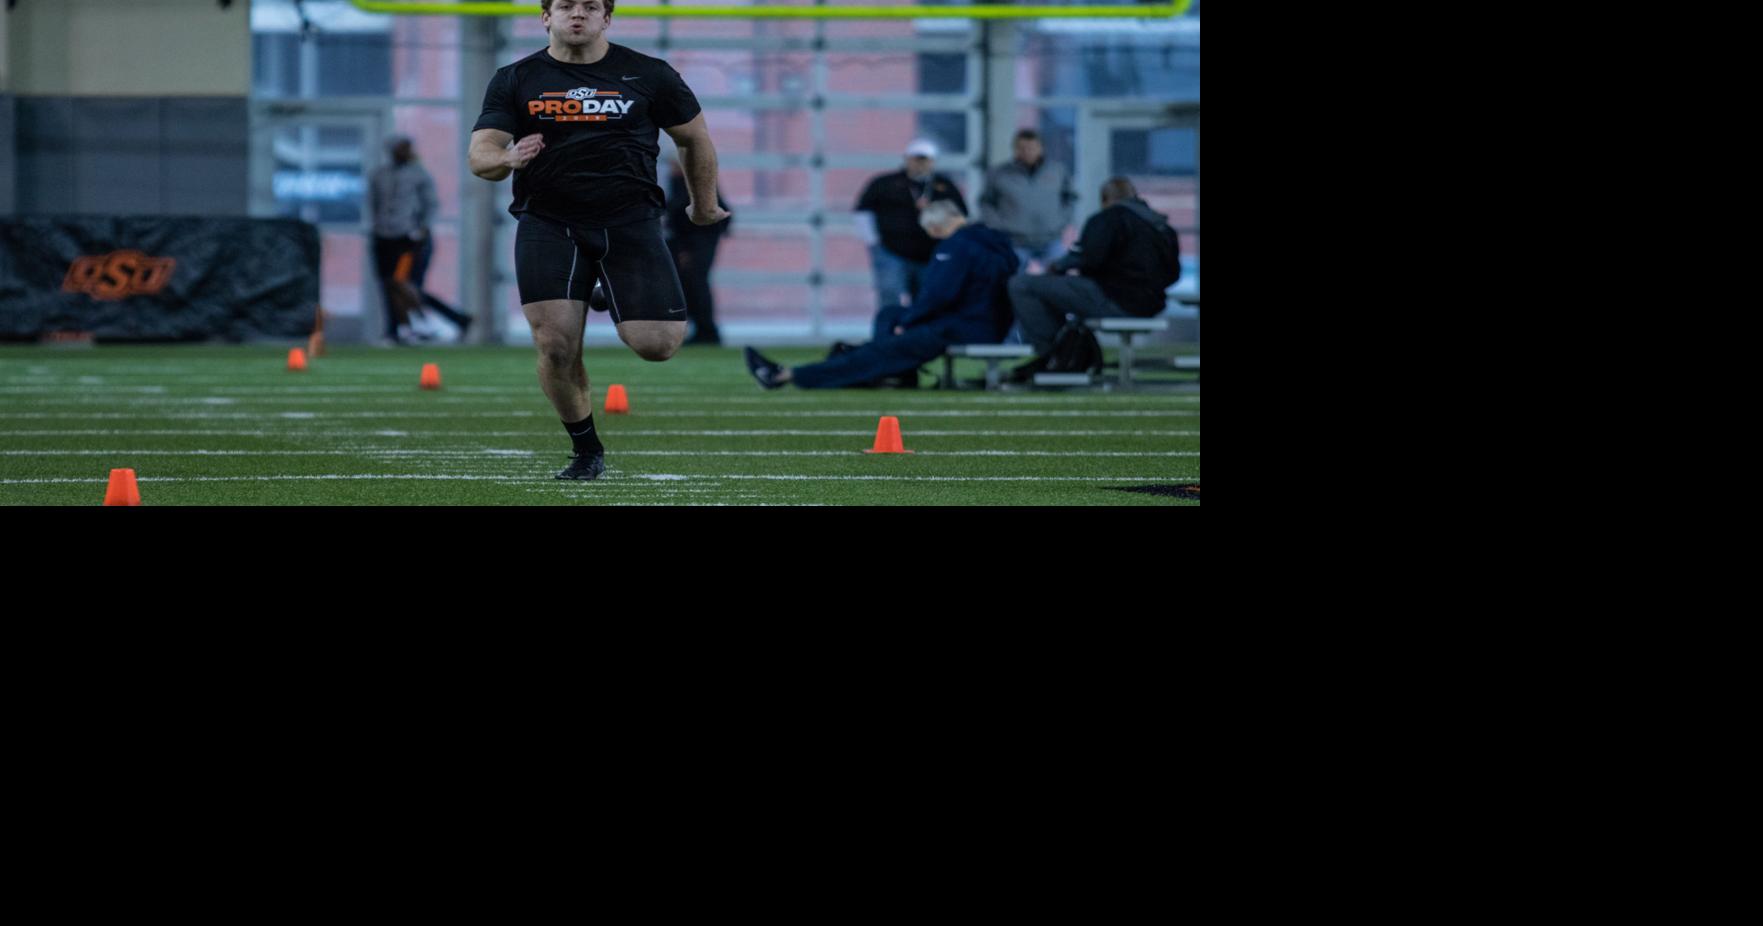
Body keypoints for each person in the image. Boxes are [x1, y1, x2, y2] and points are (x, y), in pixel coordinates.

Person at [467, 0, 728, 480]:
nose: (578, 14)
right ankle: (586, 450)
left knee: (658, 345)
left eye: (591, 6)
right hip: (548, 223)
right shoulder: (515, 78)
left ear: (607, 18)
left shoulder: (648, 74)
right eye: (565, 6)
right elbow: (480, 156)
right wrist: (507, 158)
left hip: (630, 222)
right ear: (546, 17)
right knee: (556, 347)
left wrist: (703, 205)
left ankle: (604, 287)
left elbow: (695, 138)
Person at [744, 200, 1017, 390]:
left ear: (936, 227)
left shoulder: (957, 247)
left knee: (884, 346)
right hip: (982, 323)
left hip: (961, 327)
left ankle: (787, 375)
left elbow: (938, 295)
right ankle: (894, 373)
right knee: (889, 315)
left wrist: (909, 322)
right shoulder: (992, 243)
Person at [1006, 177, 1180, 356]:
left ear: (1104, 199)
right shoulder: (1162, 227)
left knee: (1022, 285)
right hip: (1150, 306)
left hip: (1112, 299)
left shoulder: (1107, 219)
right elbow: (1174, 274)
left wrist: (1057, 267)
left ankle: (1054, 354)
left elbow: (1087, 258)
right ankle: (1066, 351)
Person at [853, 138, 968, 342]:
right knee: (890, 297)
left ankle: (919, 340)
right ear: (907, 159)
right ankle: (885, 340)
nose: (921, 164)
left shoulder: (944, 186)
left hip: (929, 254)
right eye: (916, 159)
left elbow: (960, 217)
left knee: (926, 300)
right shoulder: (885, 183)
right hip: (892, 251)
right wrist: (874, 244)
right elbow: (863, 212)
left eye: (925, 160)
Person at [368, 135, 445, 345]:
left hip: (408, 236)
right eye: (401, 148)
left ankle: (423, 321)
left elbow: (431, 204)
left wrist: (421, 229)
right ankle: (402, 328)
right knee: (388, 284)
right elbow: (374, 204)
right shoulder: (378, 174)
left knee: (402, 281)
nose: (404, 152)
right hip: (383, 236)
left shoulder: (419, 174)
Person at [978, 128, 1076, 273]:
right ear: (1015, 149)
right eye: (1021, 148)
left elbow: (1070, 198)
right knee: (1011, 282)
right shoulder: (999, 173)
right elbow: (986, 202)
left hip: (1051, 239)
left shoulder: (1058, 171)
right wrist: (998, 225)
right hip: (1015, 242)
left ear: (1041, 148)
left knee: (1060, 283)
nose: (1027, 152)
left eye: (1031, 147)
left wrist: (1061, 221)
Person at [664, 160, 731, 345]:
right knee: (691, 284)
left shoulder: (691, 184)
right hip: (695, 241)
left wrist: (686, 248)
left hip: (698, 240)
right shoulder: (685, 183)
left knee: (696, 283)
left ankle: (706, 330)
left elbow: (687, 216)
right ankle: (701, 328)